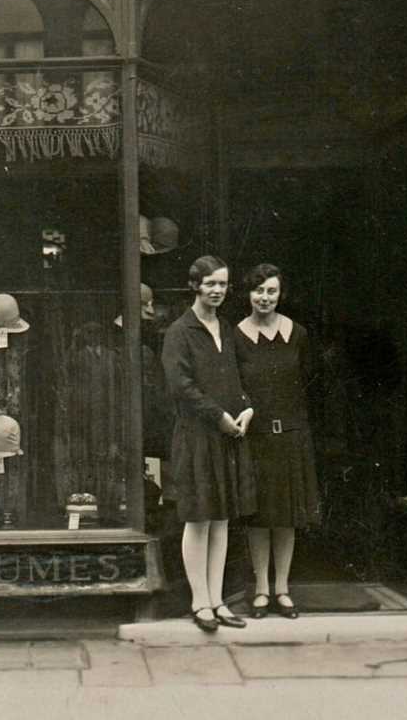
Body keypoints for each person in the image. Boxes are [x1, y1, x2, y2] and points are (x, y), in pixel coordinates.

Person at [161, 254, 255, 632]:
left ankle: (218, 601)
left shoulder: (225, 328)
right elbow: (181, 387)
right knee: (199, 518)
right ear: (195, 286)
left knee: (221, 520)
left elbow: (235, 378)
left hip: (227, 434)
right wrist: (219, 417)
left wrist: (246, 408)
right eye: (210, 283)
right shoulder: (179, 332)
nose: (217, 290)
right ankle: (199, 602)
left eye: (223, 284)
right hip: (197, 436)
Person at [234, 263, 321, 620]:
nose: (264, 297)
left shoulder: (297, 334)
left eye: (271, 291)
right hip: (255, 439)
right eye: (258, 291)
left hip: (291, 436)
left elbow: (309, 383)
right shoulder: (236, 336)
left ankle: (282, 590)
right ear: (248, 294)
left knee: (286, 517)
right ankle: (260, 590)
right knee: (259, 517)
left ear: (281, 294)